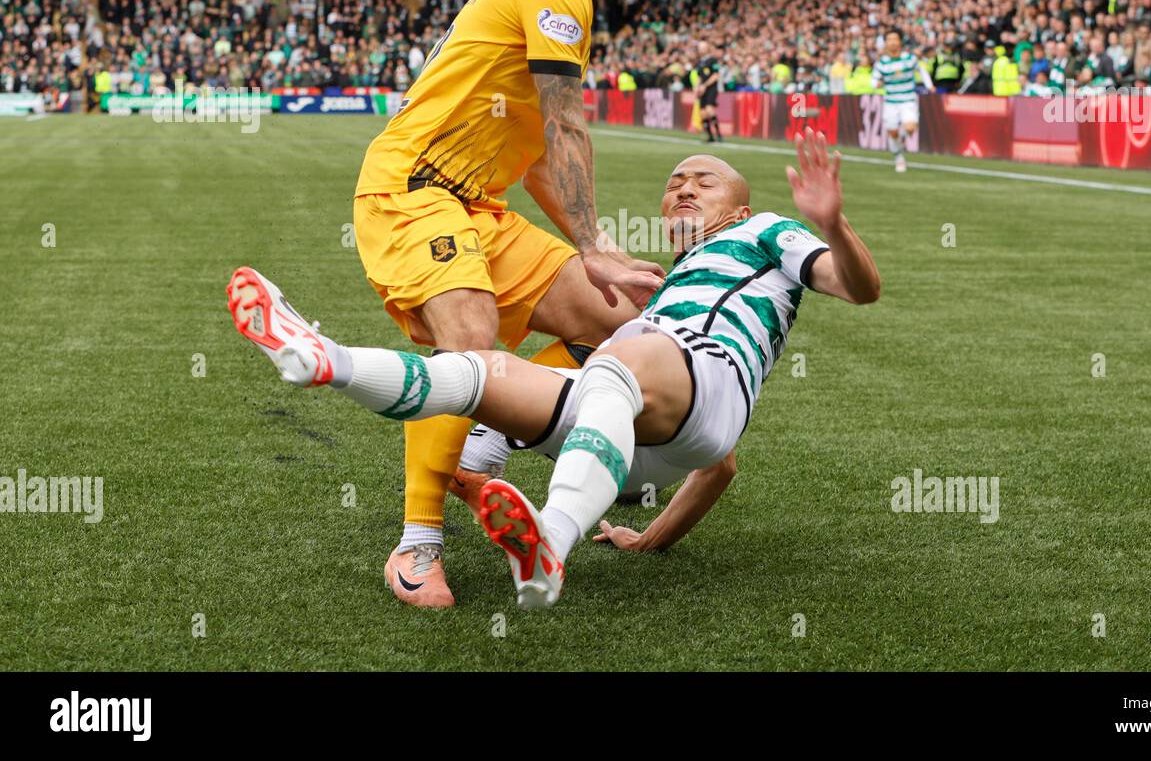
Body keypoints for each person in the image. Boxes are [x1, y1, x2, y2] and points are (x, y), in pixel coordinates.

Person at [227, 130, 881, 608]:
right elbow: (720, 465)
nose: (683, 187)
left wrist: (832, 224)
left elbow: (858, 289)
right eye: (675, 181)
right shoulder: (677, 280)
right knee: (477, 374)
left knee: (628, 340)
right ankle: (322, 359)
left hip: (698, 380)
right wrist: (650, 540)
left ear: (736, 208)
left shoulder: (764, 229)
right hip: (647, 439)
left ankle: (551, 539)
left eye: (702, 182)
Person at [329, 0, 696, 608]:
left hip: (480, 208)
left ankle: (482, 453)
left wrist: (600, 259)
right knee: (468, 342)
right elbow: (566, 124)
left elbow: (534, 166)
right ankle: (416, 544)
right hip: (414, 189)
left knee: (625, 325)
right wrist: (592, 244)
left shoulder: (574, 7)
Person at [872, 29, 933, 173]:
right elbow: (873, 81)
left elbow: (922, 71)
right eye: (889, 40)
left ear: (900, 42)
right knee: (892, 132)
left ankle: (899, 143)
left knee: (911, 128)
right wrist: (877, 84)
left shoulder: (909, 59)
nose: (892, 42)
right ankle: (899, 156)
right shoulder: (882, 63)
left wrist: (929, 85)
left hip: (908, 100)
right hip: (891, 102)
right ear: (886, 43)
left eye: (895, 39)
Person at [695, 43, 722, 142]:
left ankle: (719, 135)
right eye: (700, 48)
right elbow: (699, 77)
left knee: (710, 110)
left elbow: (716, 75)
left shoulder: (712, 60)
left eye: (702, 47)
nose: (700, 49)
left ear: (707, 48)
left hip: (711, 89)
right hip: (702, 90)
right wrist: (697, 88)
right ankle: (710, 136)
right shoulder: (700, 62)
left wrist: (704, 86)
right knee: (703, 113)